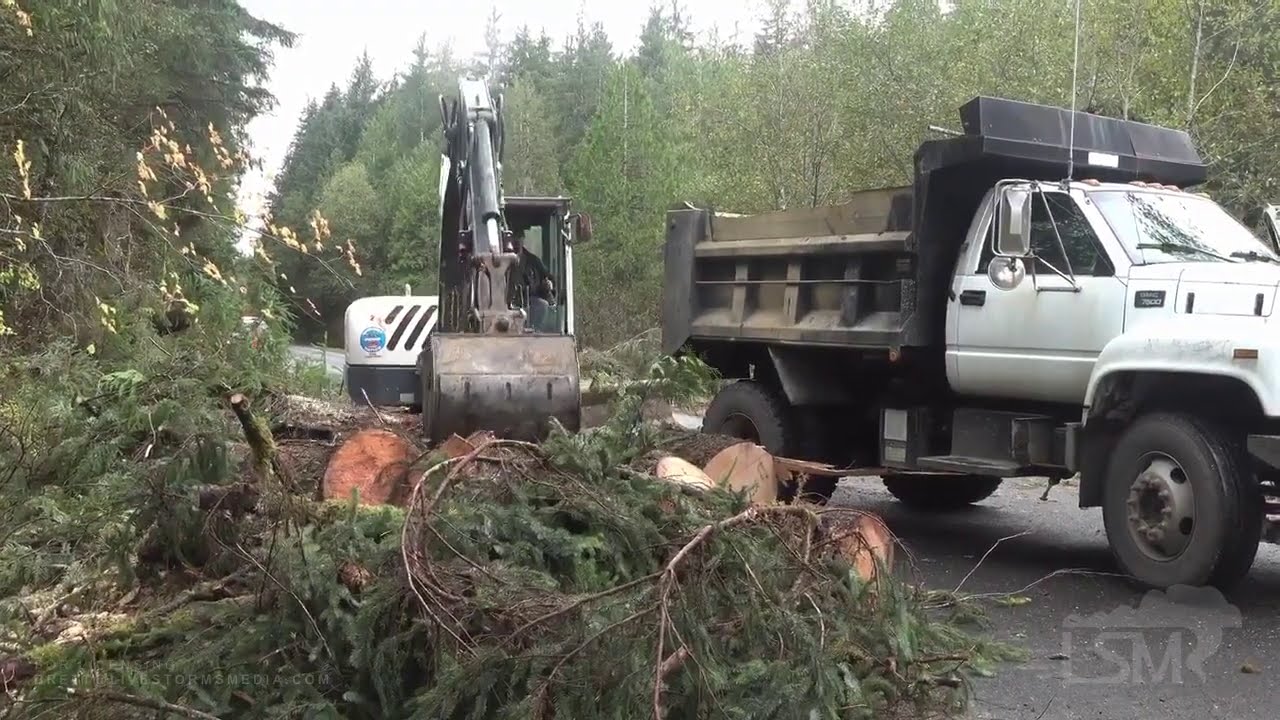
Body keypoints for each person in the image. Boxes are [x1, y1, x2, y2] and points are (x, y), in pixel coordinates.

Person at [508, 229, 555, 331]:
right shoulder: (497, 260)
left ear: (523, 239)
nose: (516, 241)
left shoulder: (534, 261)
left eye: (519, 237)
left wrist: (548, 285)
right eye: (513, 237)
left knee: (542, 305)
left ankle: (535, 332)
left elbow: (548, 279)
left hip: (529, 303)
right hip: (504, 303)